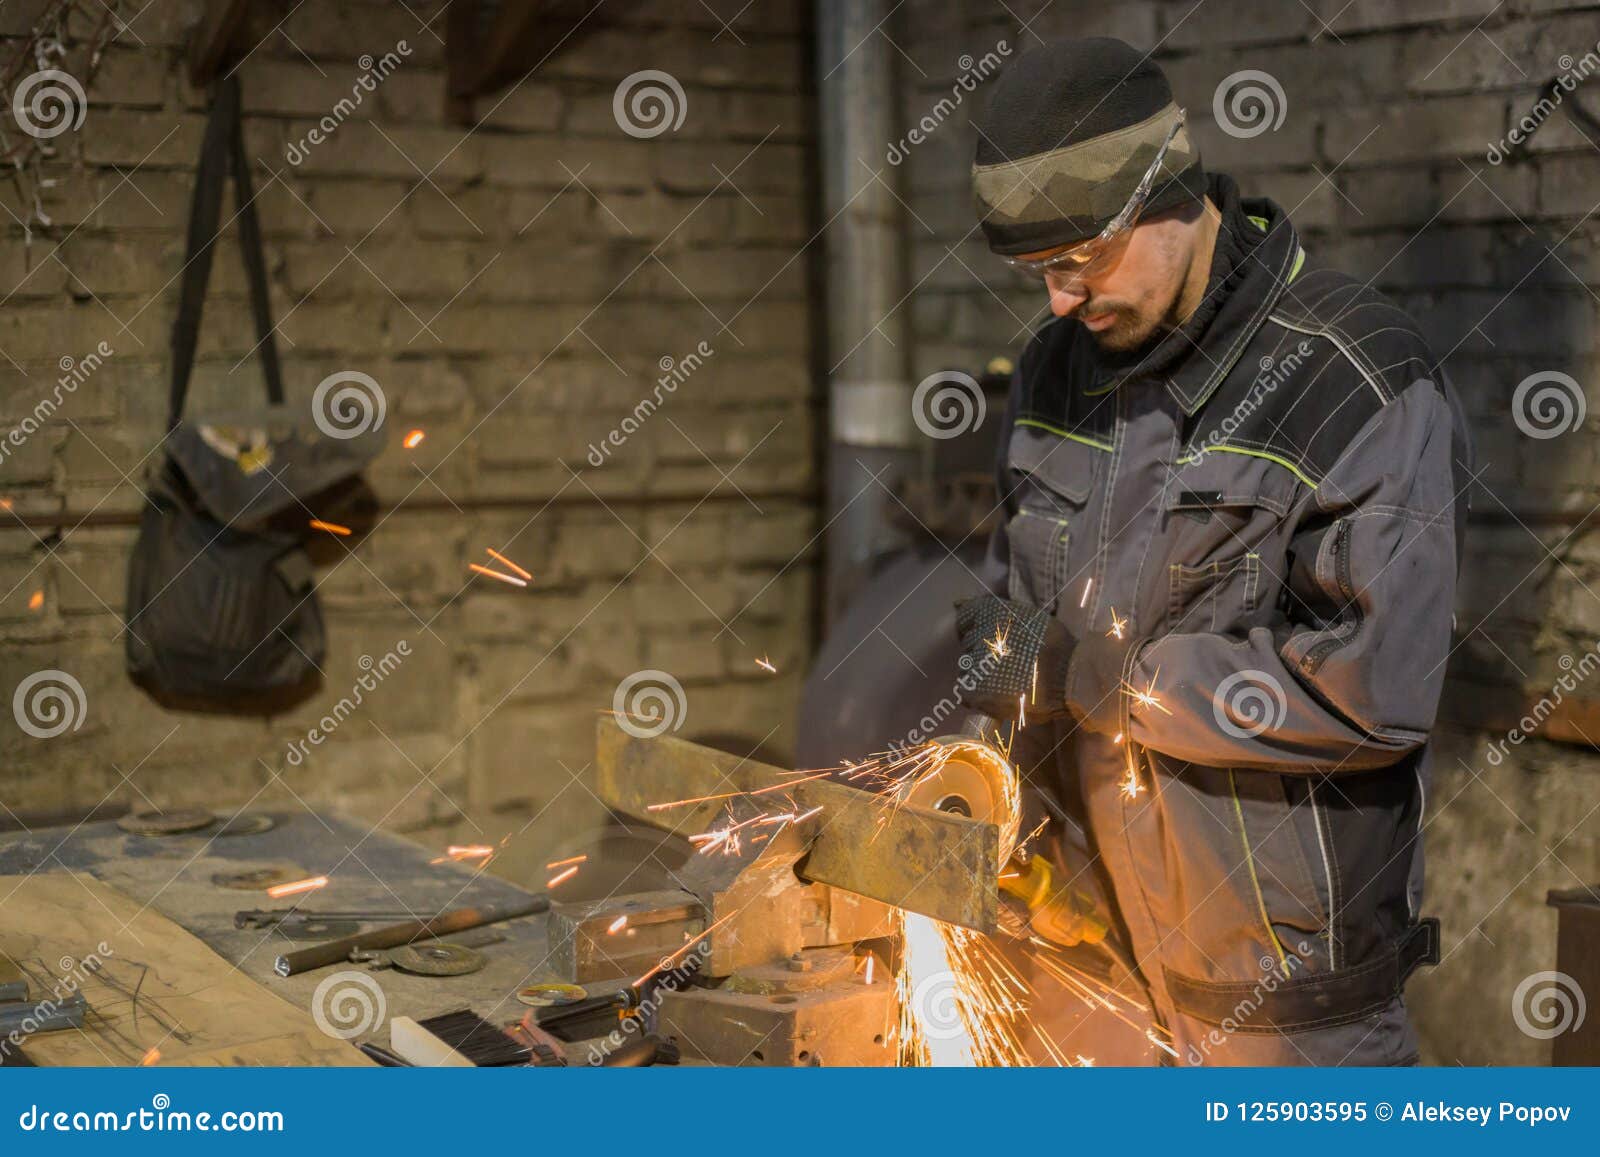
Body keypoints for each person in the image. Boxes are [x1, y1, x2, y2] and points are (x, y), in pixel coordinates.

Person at [954, 37, 1473, 1066]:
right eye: (1038, 271)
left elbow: (1373, 687)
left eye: (1080, 258)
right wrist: (985, 718)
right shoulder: (1054, 371)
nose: (1059, 300)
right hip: (1091, 965)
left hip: (1286, 1011)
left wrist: (1105, 681)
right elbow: (1014, 602)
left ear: (1167, 194)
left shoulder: (1351, 376)